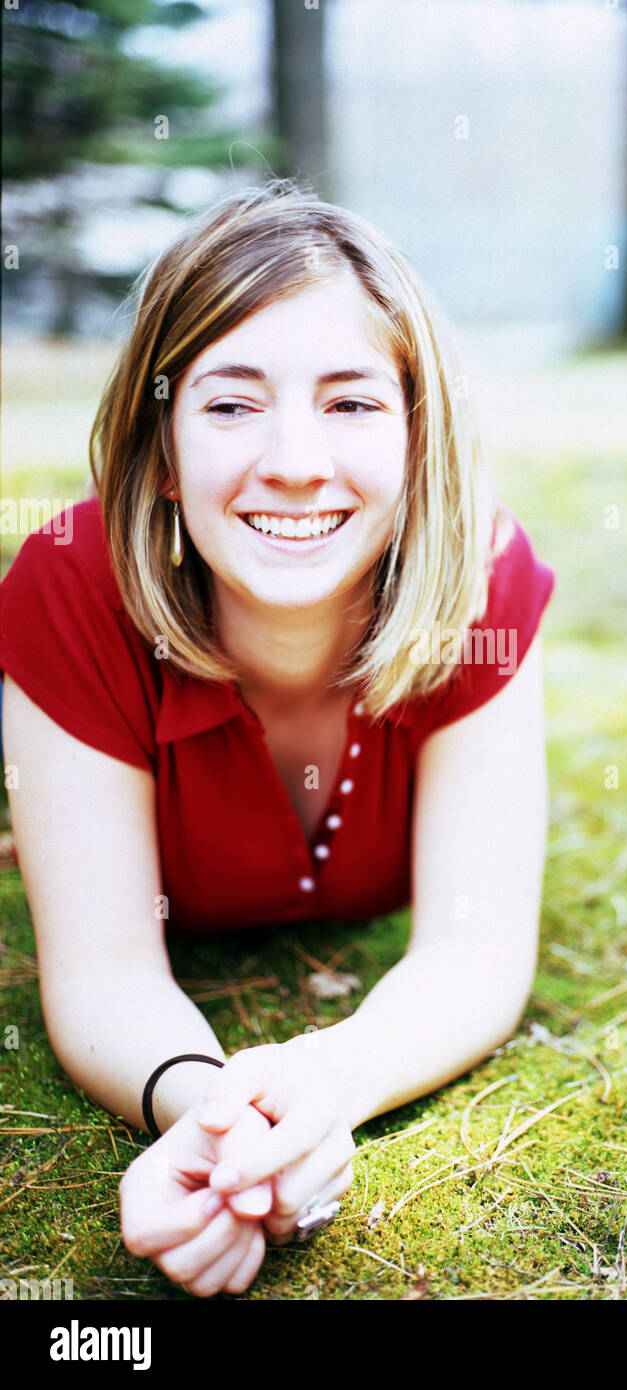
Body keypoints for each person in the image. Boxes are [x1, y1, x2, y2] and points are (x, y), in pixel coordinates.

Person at [0, 179, 556, 1298]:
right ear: (158, 449)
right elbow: (106, 972)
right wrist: (210, 1123)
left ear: (416, 443)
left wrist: (318, 1088)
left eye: (351, 404)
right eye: (230, 403)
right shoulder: (66, 585)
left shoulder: (484, 586)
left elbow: (474, 950)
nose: (295, 460)